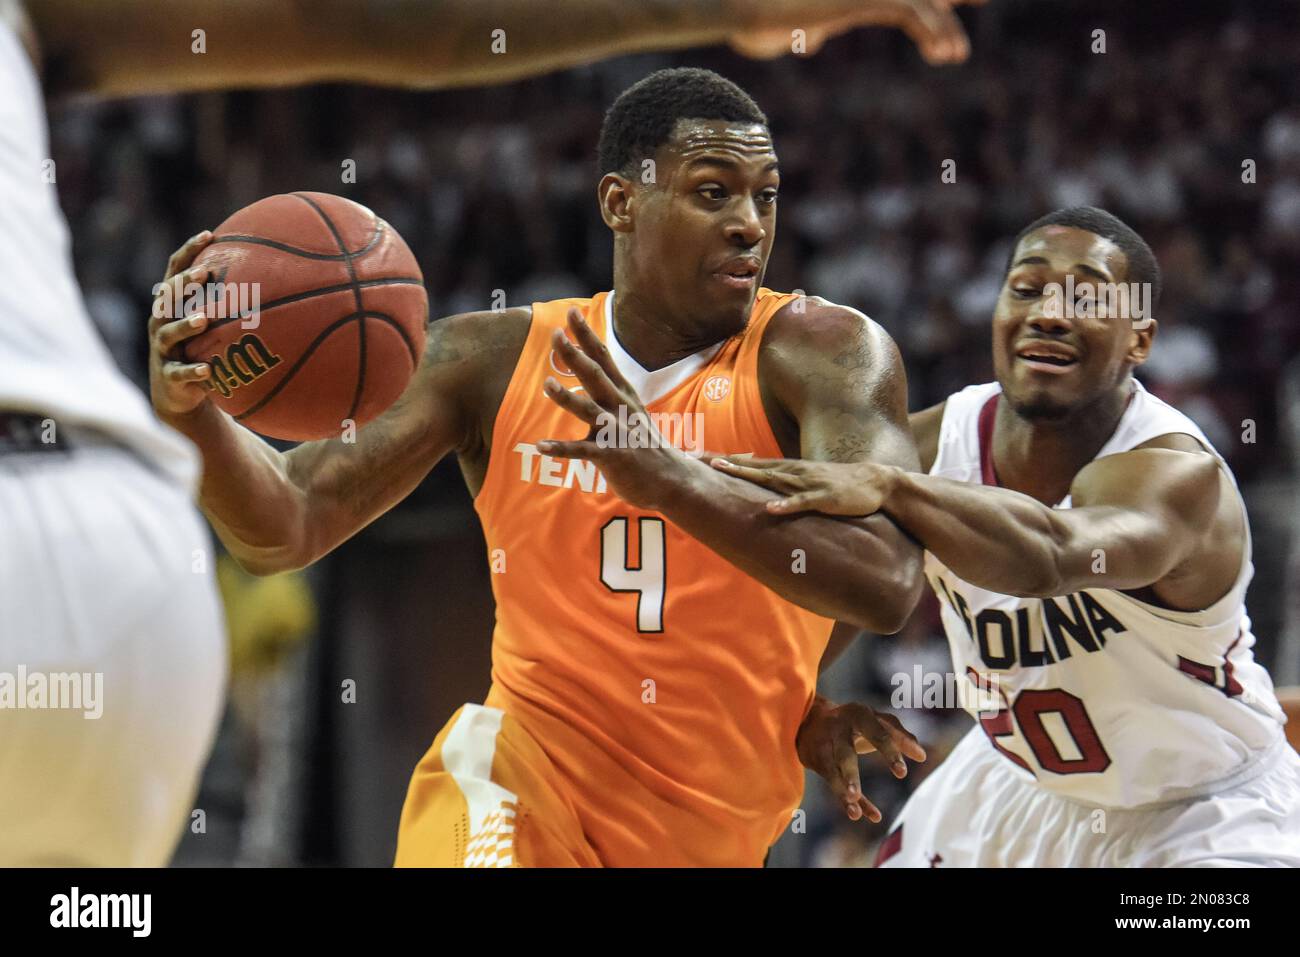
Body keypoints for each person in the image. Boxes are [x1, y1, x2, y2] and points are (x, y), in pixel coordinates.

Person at [1, 0, 980, 866]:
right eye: (713, 192)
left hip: (714, 834)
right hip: (511, 793)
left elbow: (885, 580)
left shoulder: (826, 352)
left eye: (764, 197)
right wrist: (200, 419)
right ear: (620, 202)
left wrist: (676, 487)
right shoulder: (490, 358)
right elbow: (285, 522)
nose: (747, 225)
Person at [718, 206, 1300, 867]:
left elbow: (1052, 552)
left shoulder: (1178, 474)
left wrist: (896, 487)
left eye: (1086, 296)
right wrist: (804, 701)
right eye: (1025, 288)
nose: (1049, 312)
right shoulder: (938, 442)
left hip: (1201, 815)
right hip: (1011, 789)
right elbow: (836, 601)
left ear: (1140, 339)